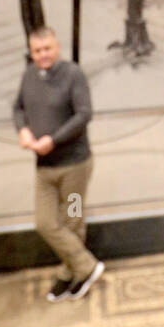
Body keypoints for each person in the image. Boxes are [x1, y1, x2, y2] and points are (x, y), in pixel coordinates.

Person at [14, 26, 104, 303]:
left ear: (58, 47)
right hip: (45, 169)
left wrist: (54, 140)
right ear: (31, 52)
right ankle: (87, 267)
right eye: (37, 51)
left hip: (74, 167)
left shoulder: (73, 75)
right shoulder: (29, 75)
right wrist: (23, 130)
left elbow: (84, 114)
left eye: (47, 49)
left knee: (73, 222)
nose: (43, 55)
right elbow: (19, 108)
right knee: (45, 223)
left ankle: (71, 275)